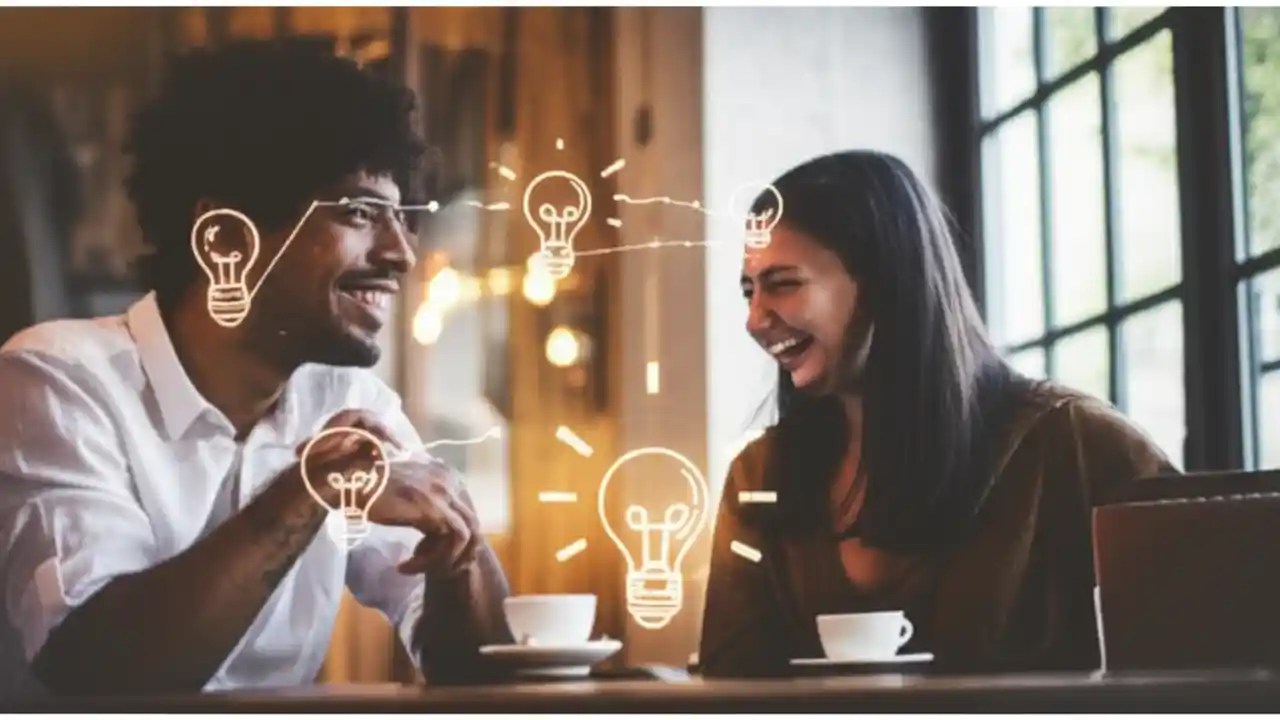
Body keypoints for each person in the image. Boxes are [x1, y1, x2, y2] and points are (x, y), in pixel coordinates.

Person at [0, 39, 513, 698]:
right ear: (226, 240)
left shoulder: (348, 399)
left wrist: (457, 555)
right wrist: (310, 488)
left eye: (401, 216)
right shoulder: (56, 379)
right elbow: (103, 674)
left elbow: (477, 675)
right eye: (358, 213)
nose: (402, 254)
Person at [699, 150, 1177, 677]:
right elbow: (730, 686)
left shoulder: (1077, 443)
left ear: (884, 280)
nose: (754, 319)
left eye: (782, 283)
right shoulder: (758, 477)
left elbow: (1196, 647)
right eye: (749, 291)